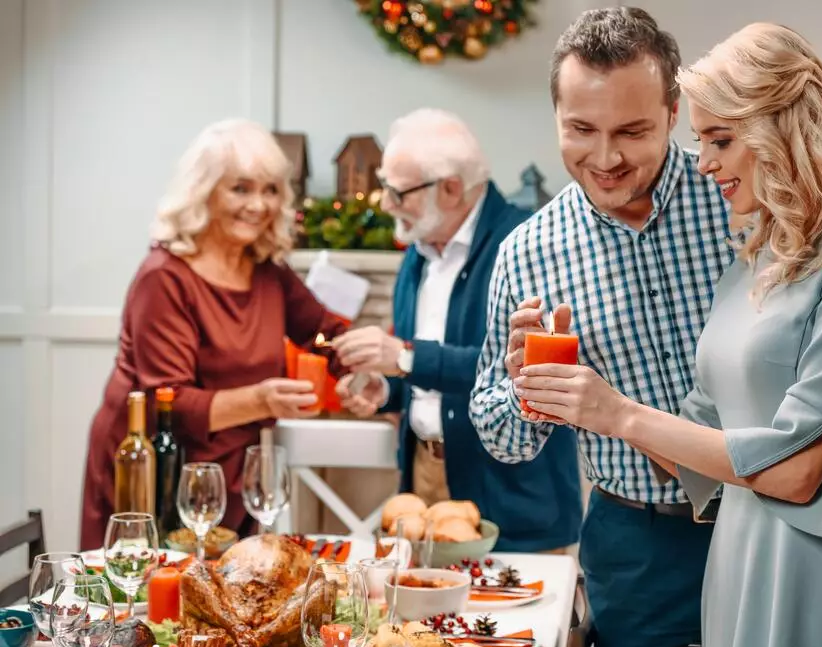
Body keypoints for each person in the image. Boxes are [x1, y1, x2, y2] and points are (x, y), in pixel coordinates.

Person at [470, 9, 822, 647]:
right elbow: (503, 441)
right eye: (580, 130)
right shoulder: (527, 253)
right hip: (639, 545)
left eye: (631, 131)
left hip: (800, 530)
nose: (604, 157)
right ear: (556, 117)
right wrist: (527, 390)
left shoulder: (751, 197)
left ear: (671, 110)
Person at [80, 119, 348, 550]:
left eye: (270, 190)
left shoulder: (268, 272)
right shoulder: (164, 277)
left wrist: (360, 370)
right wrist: (262, 400)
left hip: (228, 471)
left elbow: (324, 334)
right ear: (203, 192)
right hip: (151, 470)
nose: (258, 205)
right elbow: (172, 404)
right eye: (241, 188)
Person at [332, 109, 582, 553]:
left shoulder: (527, 244)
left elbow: (521, 372)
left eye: (395, 191)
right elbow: (427, 374)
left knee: (515, 621)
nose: (385, 204)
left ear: (449, 188)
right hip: (424, 476)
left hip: (511, 494)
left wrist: (406, 357)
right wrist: (387, 390)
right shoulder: (419, 247)